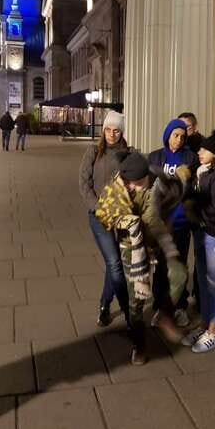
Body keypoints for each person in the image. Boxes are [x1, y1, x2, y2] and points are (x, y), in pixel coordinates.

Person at [95, 151, 189, 364]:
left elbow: (158, 214)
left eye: (140, 182)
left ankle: (164, 314)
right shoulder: (116, 191)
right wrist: (129, 224)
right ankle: (139, 344)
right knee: (136, 299)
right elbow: (106, 215)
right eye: (132, 184)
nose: (136, 187)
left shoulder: (156, 180)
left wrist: (169, 248)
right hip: (132, 245)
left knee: (180, 275)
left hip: (158, 236)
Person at [182, 127, 215, 353]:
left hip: (214, 234)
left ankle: (214, 330)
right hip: (202, 232)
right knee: (203, 280)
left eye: (204, 149)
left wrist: (198, 212)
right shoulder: (205, 171)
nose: (199, 152)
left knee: (213, 282)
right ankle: (204, 324)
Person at [79, 111, 130, 327]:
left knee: (115, 263)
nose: (111, 134)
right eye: (108, 129)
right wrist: (98, 208)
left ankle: (104, 304)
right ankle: (128, 312)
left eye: (116, 130)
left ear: (121, 132)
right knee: (115, 263)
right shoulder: (93, 151)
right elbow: (84, 184)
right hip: (99, 216)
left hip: (122, 216)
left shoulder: (128, 154)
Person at [148, 118, 199, 327]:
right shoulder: (155, 157)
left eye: (182, 136)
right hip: (161, 222)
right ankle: (160, 308)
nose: (178, 140)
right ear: (167, 135)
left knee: (179, 265)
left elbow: (192, 187)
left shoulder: (190, 157)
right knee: (160, 268)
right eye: (175, 135)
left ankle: (179, 307)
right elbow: (149, 187)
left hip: (181, 222)